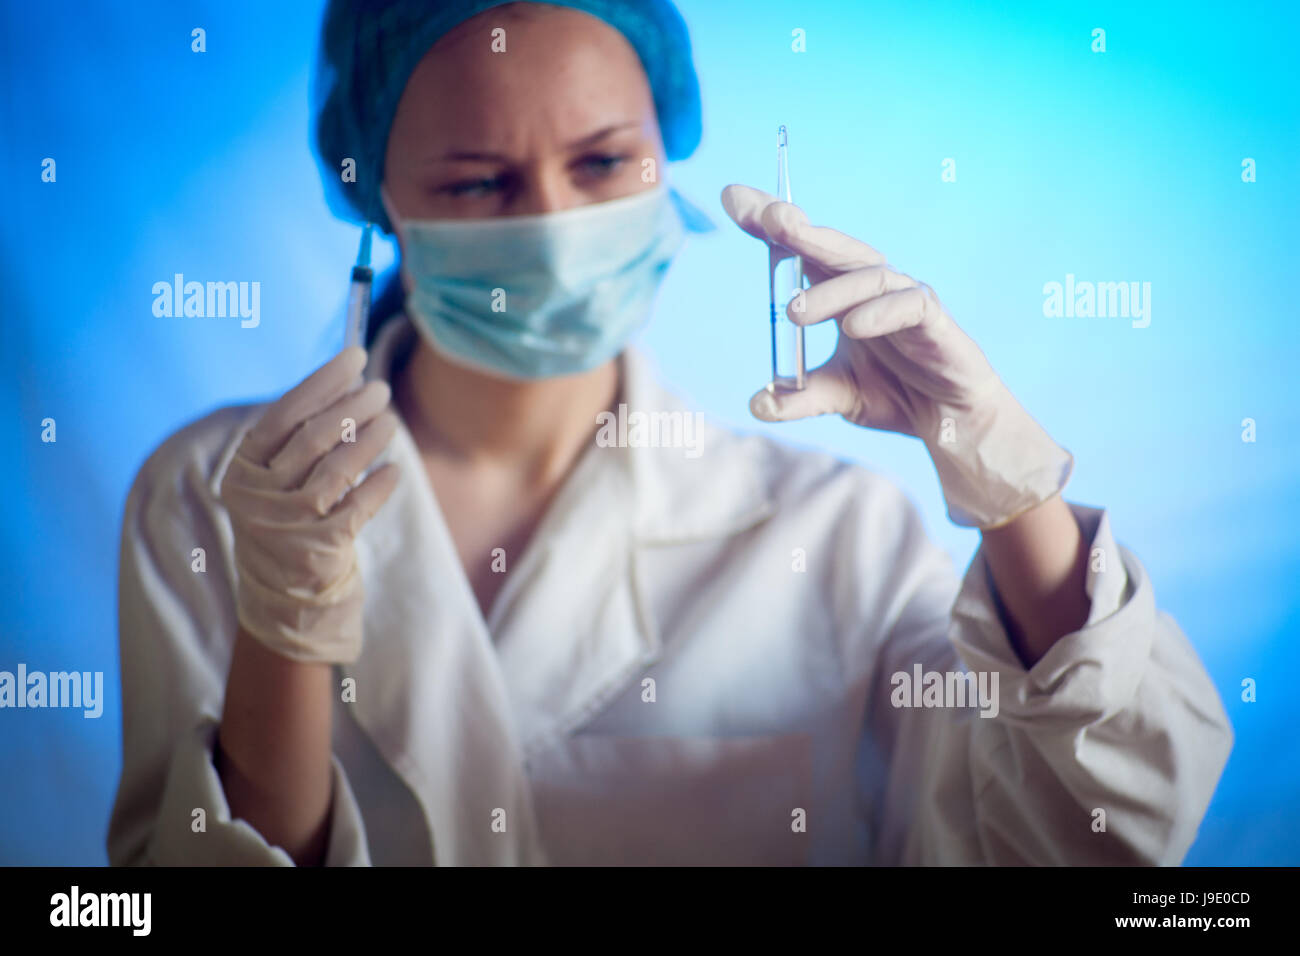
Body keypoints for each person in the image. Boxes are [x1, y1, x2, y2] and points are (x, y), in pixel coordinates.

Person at [108, 0, 1232, 867]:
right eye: (478, 181)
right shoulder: (213, 496)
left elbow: (1100, 838)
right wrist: (286, 630)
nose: (552, 226)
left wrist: (1013, 490)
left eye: (601, 163)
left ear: (666, 153)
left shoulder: (834, 540)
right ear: (375, 201)